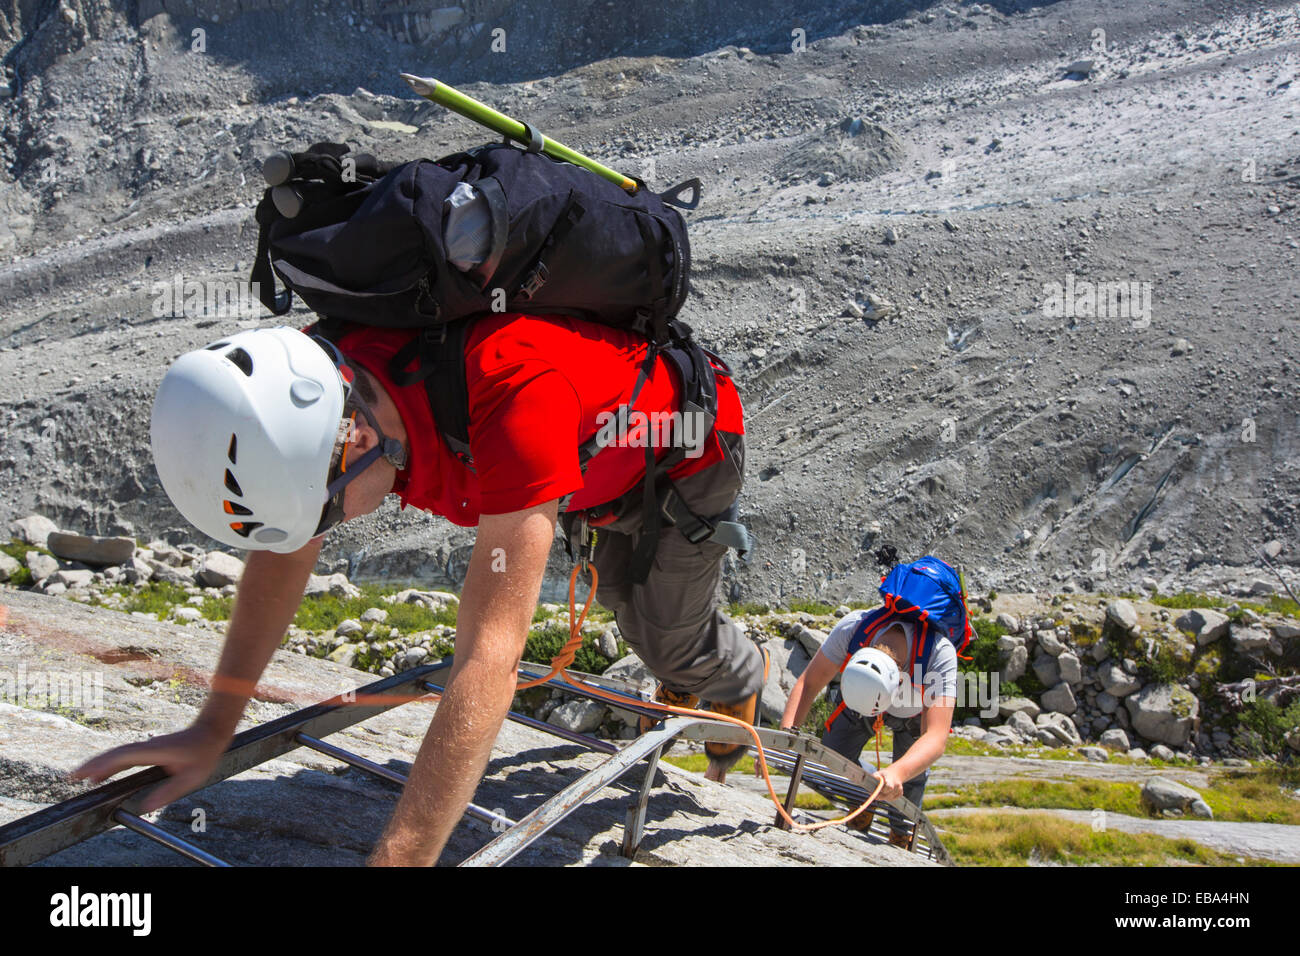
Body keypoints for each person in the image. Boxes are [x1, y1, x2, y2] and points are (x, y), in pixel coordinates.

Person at [72, 314, 765, 865]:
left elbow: (490, 651)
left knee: (664, 636)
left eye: (332, 506)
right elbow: (286, 550)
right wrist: (211, 727)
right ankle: (678, 669)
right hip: (590, 456)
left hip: (682, 457)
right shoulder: (323, 371)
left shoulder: (514, 393)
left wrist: (400, 858)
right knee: (624, 598)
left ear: (358, 433)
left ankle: (739, 675)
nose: (335, 524)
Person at [779, 608, 957, 849]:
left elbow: (936, 735)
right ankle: (863, 797)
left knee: (909, 784)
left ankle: (900, 832)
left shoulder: (939, 654)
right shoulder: (853, 627)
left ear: (901, 682)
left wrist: (897, 773)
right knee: (833, 755)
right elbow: (810, 682)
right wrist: (785, 737)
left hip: (913, 714)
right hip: (859, 699)